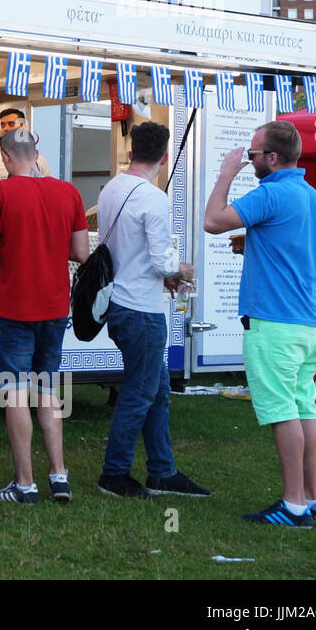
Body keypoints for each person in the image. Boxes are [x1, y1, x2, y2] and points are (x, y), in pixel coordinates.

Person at [204, 120, 316, 527]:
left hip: (272, 324)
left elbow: (213, 220)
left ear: (272, 158)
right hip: (307, 323)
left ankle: (293, 504)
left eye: (253, 155)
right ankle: (310, 498)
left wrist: (225, 174)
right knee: (304, 408)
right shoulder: (315, 198)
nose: (249, 160)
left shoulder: (271, 193)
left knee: (282, 412)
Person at [96, 122, 210, 499]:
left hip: (119, 302)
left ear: (130, 152)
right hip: (142, 309)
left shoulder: (112, 188)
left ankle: (162, 471)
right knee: (140, 393)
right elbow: (164, 262)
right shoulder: (154, 199)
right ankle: (114, 474)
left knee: (156, 391)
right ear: (164, 158)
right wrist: (183, 269)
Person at [0, 129, 89, 504]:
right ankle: (59, 475)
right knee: (47, 391)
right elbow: (81, 253)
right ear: (35, 153)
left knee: (15, 393)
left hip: (13, 309)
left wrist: (4, 245)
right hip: (55, 307)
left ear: (6, 158)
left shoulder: (1, 193)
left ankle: (25, 484)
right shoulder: (68, 192)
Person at [0, 108, 52, 180]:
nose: (5, 128)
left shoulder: (40, 161)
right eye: (2, 125)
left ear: (22, 126)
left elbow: (47, 187)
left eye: (11, 124)